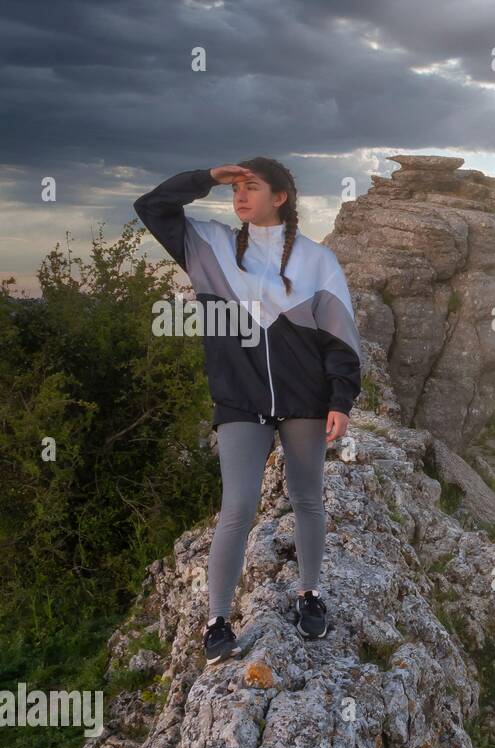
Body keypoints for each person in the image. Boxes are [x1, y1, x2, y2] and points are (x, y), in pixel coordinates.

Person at [133, 159, 363, 663]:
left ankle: (309, 593)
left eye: (251, 187)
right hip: (239, 400)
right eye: (234, 187)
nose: (239, 195)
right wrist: (206, 177)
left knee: (307, 498)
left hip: (305, 400)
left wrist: (341, 401)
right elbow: (151, 206)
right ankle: (217, 622)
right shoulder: (209, 244)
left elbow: (341, 338)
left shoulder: (317, 261)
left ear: (280, 196)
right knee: (238, 506)